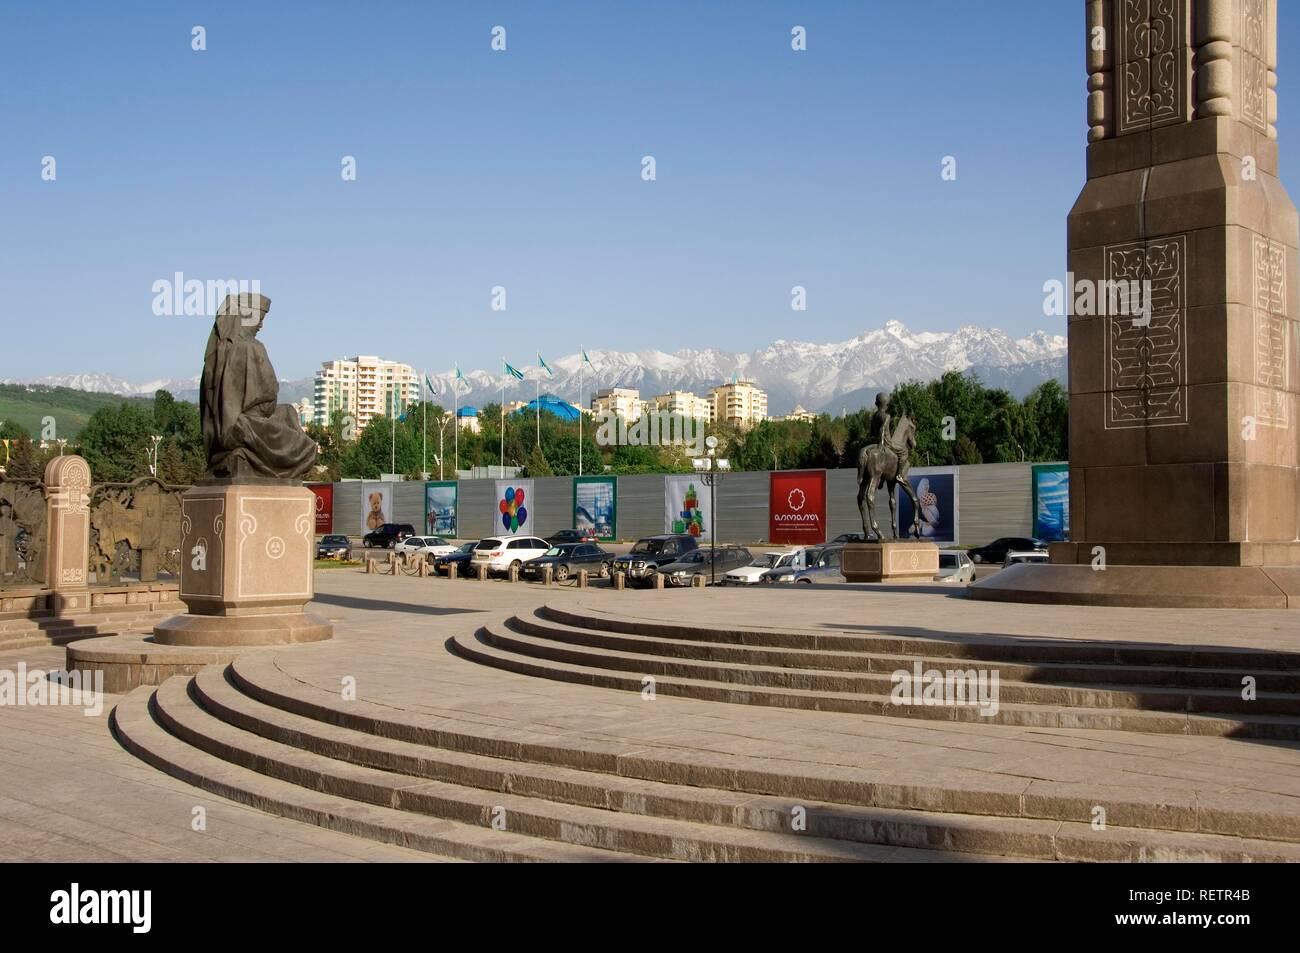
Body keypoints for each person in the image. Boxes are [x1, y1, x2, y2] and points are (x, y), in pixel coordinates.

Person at [200, 294, 317, 480]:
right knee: (303, 442)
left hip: (220, 432)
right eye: (260, 319)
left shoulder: (217, 353)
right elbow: (267, 399)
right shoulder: (251, 347)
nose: (261, 326)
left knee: (288, 413)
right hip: (239, 429)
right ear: (248, 316)